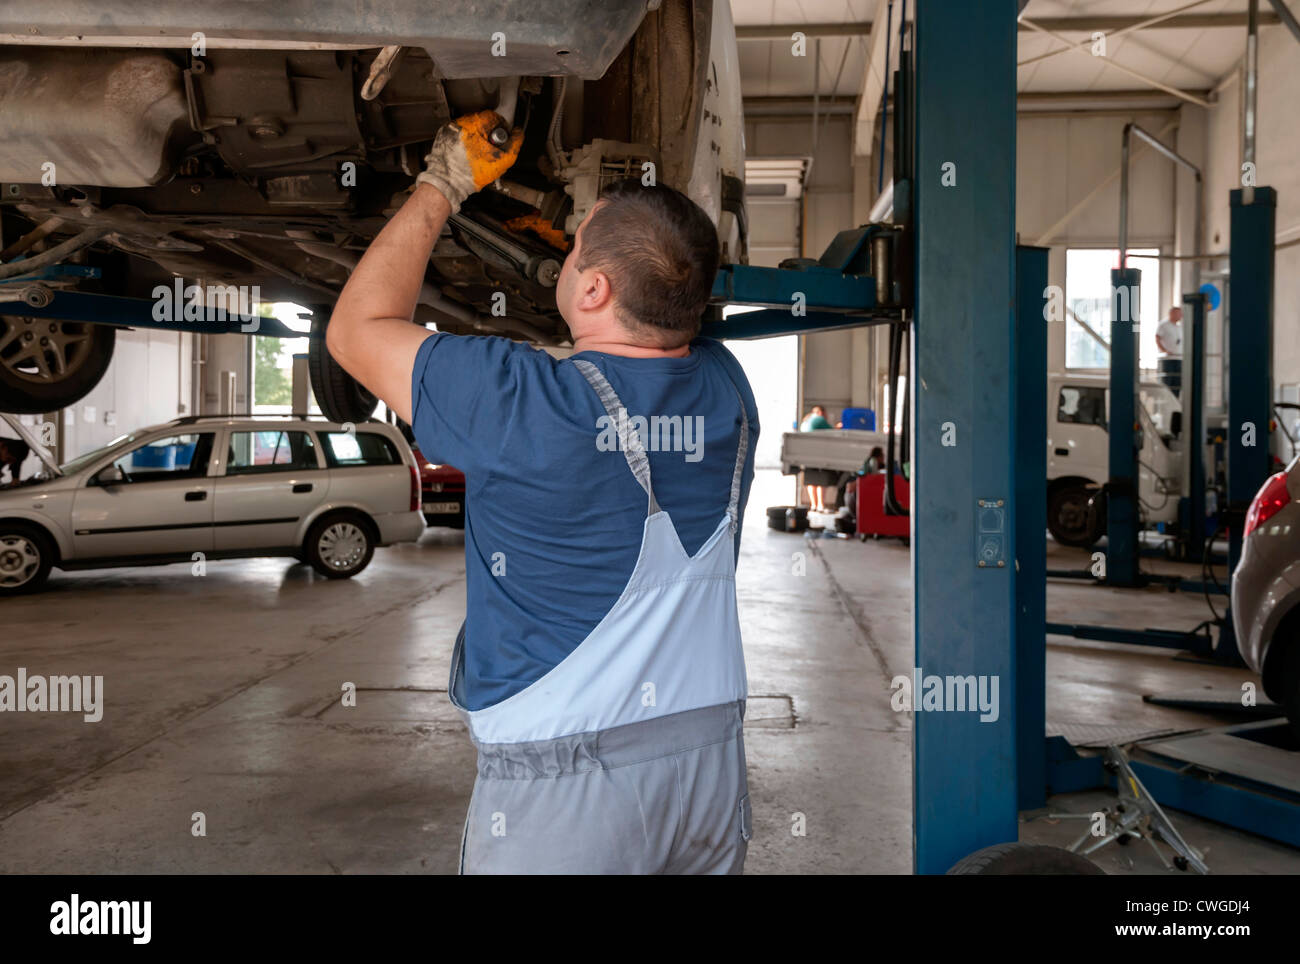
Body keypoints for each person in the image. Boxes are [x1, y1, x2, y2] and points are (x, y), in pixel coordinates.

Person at [324, 111, 758, 874]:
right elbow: (651, 338)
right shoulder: (729, 391)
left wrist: (442, 184)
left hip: (571, 790)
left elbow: (357, 328)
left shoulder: (524, 401)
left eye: (575, 240)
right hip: (709, 772)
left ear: (592, 286)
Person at [1156, 305, 1183, 397]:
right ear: (1172, 313)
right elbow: (1157, 338)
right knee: (1167, 382)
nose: (1180, 315)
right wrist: (1164, 350)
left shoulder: (1179, 327)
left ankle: (1175, 404)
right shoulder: (1163, 325)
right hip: (1168, 359)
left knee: (1177, 383)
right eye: (1178, 313)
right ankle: (1166, 405)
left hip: (1178, 358)